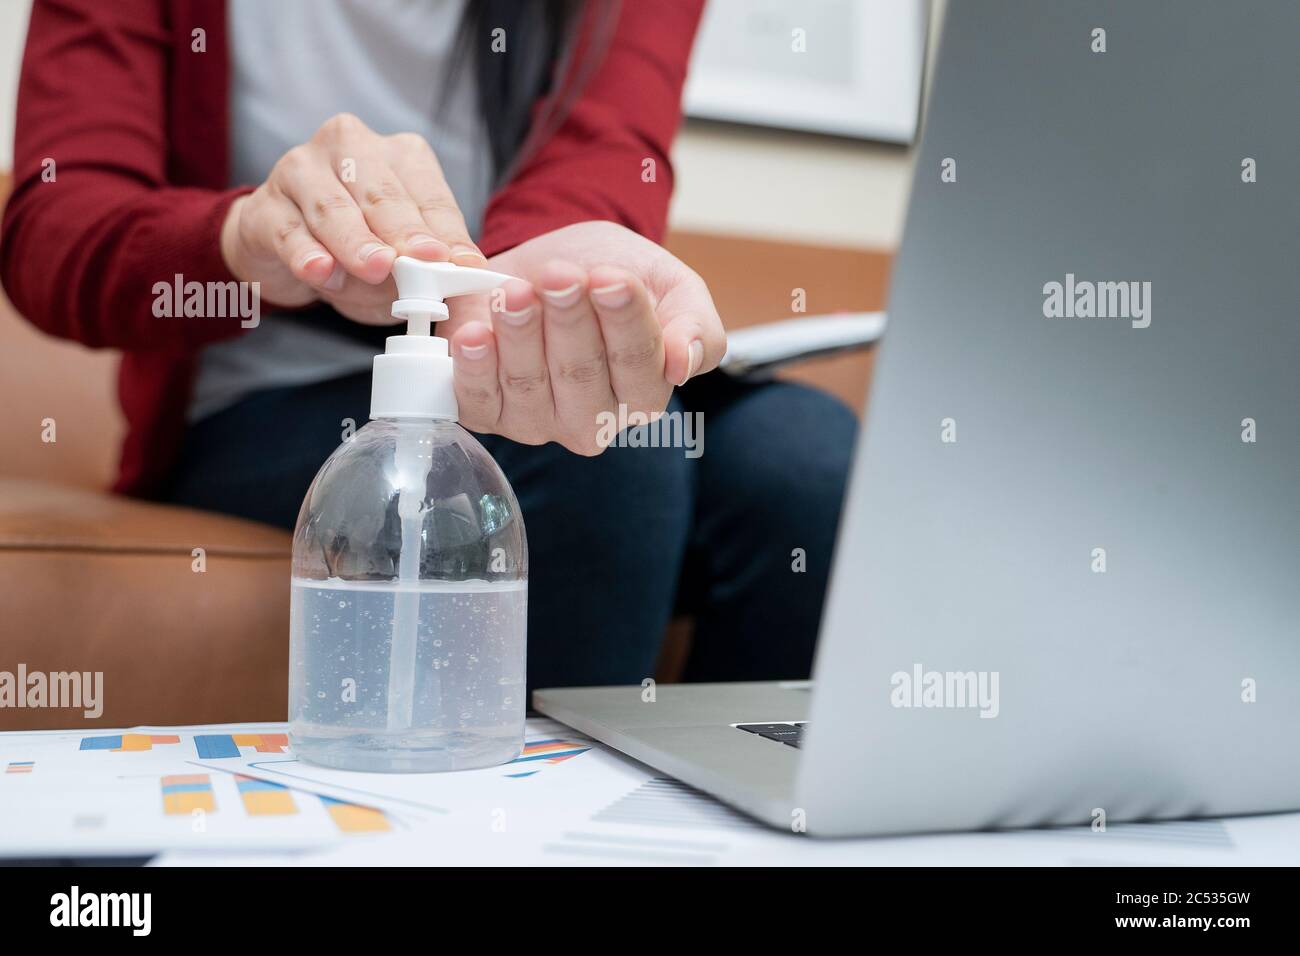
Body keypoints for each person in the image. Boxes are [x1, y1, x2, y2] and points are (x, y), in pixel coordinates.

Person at [1, 0, 856, 690]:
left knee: (815, 470)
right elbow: (53, 226)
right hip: (268, 407)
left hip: (490, 341)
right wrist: (241, 236)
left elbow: (607, 151)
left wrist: (532, 291)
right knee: (595, 459)